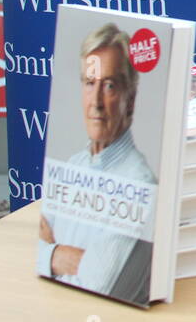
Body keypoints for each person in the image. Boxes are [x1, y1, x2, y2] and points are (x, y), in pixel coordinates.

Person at [37, 23, 156, 299]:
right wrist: (64, 257)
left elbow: (98, 288)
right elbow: (33, 260)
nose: (96, 102)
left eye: (110, 86)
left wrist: (50, 253)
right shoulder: (71, 166)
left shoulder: (139, 184)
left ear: (131, 99)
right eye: (90, 83)